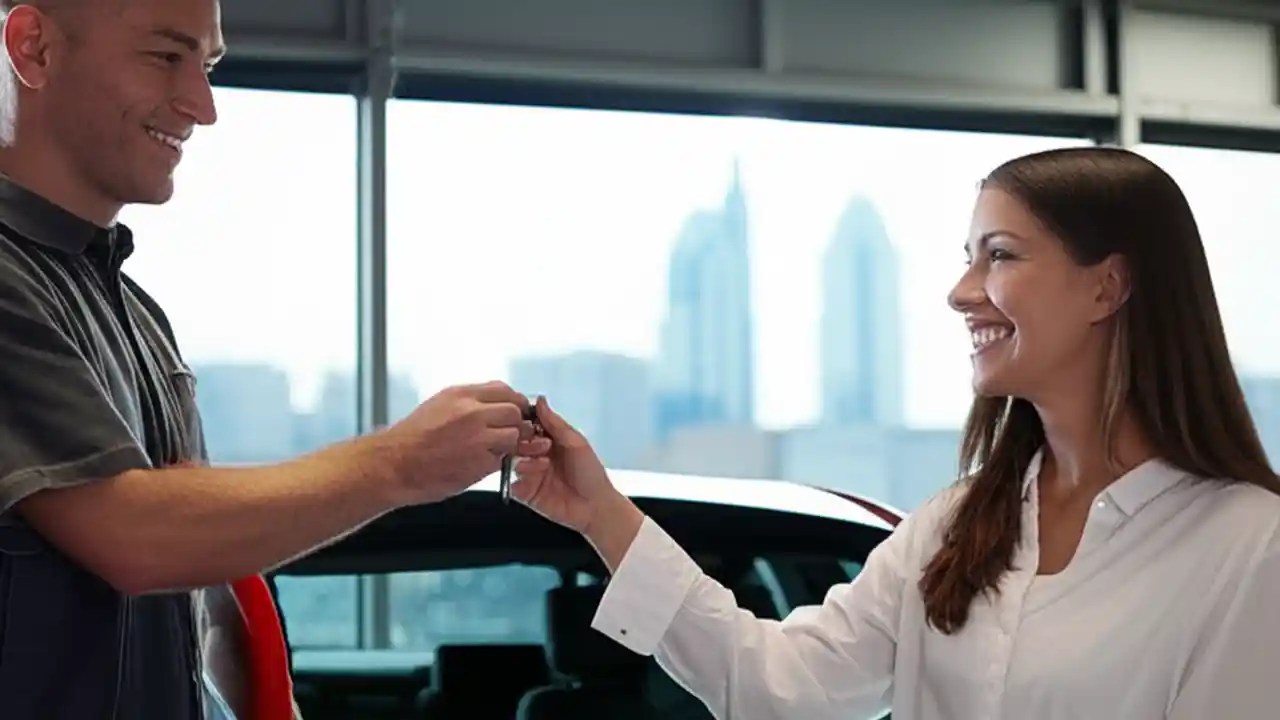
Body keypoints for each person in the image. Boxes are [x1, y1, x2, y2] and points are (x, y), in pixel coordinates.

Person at [512, 146, 1280, 719]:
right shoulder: (956, 524)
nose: (960, 292)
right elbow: (776, 686)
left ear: (1108, 285)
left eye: (1000, 256)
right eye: (967, 259)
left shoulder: (1249, 547)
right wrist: (601, 515)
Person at [0, 0, 549, 718]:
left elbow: (200, 565)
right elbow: (136, 539)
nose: (202, 105)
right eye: (165, 56)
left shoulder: (136, 315)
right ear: (34, 47)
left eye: (209, 65)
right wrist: (401, 464)